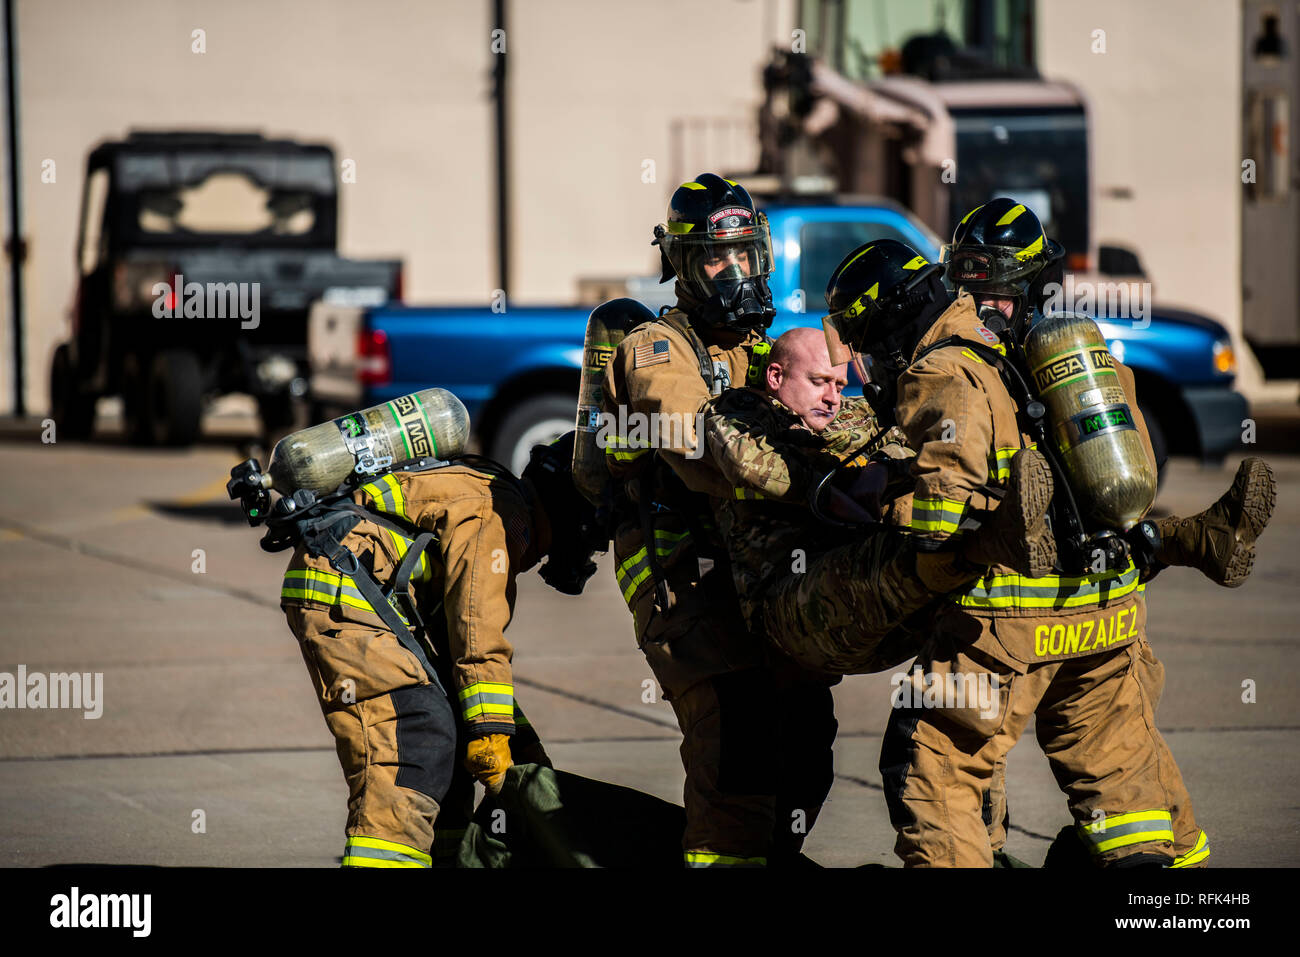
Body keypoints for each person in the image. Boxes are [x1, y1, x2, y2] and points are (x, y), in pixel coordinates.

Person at [824, 216, 1272, 867]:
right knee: (1122, 780)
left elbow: (940, 503)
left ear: (887, 320)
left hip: (1010, 622)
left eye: (864, 338)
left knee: (934, 769)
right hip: (1109, 606)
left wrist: (873, 499)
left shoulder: (946, 368)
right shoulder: (1066, 355)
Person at [600, 173, 836, 867]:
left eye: (746, 255)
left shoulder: (767, 348)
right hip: (688, 588)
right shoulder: (658, 348)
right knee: (738, 762)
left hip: (757, 581)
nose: (736, 272)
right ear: (682, 265)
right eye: (714, 256)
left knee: (806, 747)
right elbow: (695, 440)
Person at [278, 435, 602, 868]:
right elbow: (476, 632)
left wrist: (520, 747)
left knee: (448, 745)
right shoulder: (500, 514)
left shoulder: (492, 494)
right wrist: (491, 734)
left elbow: (459, 667)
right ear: (571, 517)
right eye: (592, 539)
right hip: (348, 593)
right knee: (414, 738)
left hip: (356, 586)